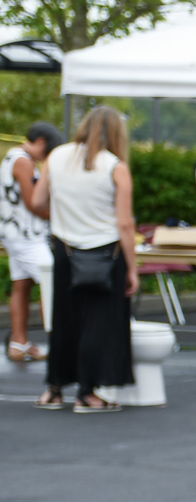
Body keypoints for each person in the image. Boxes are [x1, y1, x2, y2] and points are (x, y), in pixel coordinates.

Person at [34, 108, 135, 413]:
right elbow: (125, 224)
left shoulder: (56, 157)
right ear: (116, 133)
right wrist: (132, 268)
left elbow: (38, 201)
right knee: (98, 324)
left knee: (64, 321)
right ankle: (88, 394)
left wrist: (64, 218)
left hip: (64, 250)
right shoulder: (115, 166)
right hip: (104, 255)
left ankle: (53, 390)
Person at [1, 122, 58, 362]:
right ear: (41, 142)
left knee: (21, 286)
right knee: (51, 284)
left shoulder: (12, 157)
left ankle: (19, 343)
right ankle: (59, 345)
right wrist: (58, 216)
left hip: (14, 234)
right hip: (26, 237)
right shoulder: (23, 161)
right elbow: (33, 202)